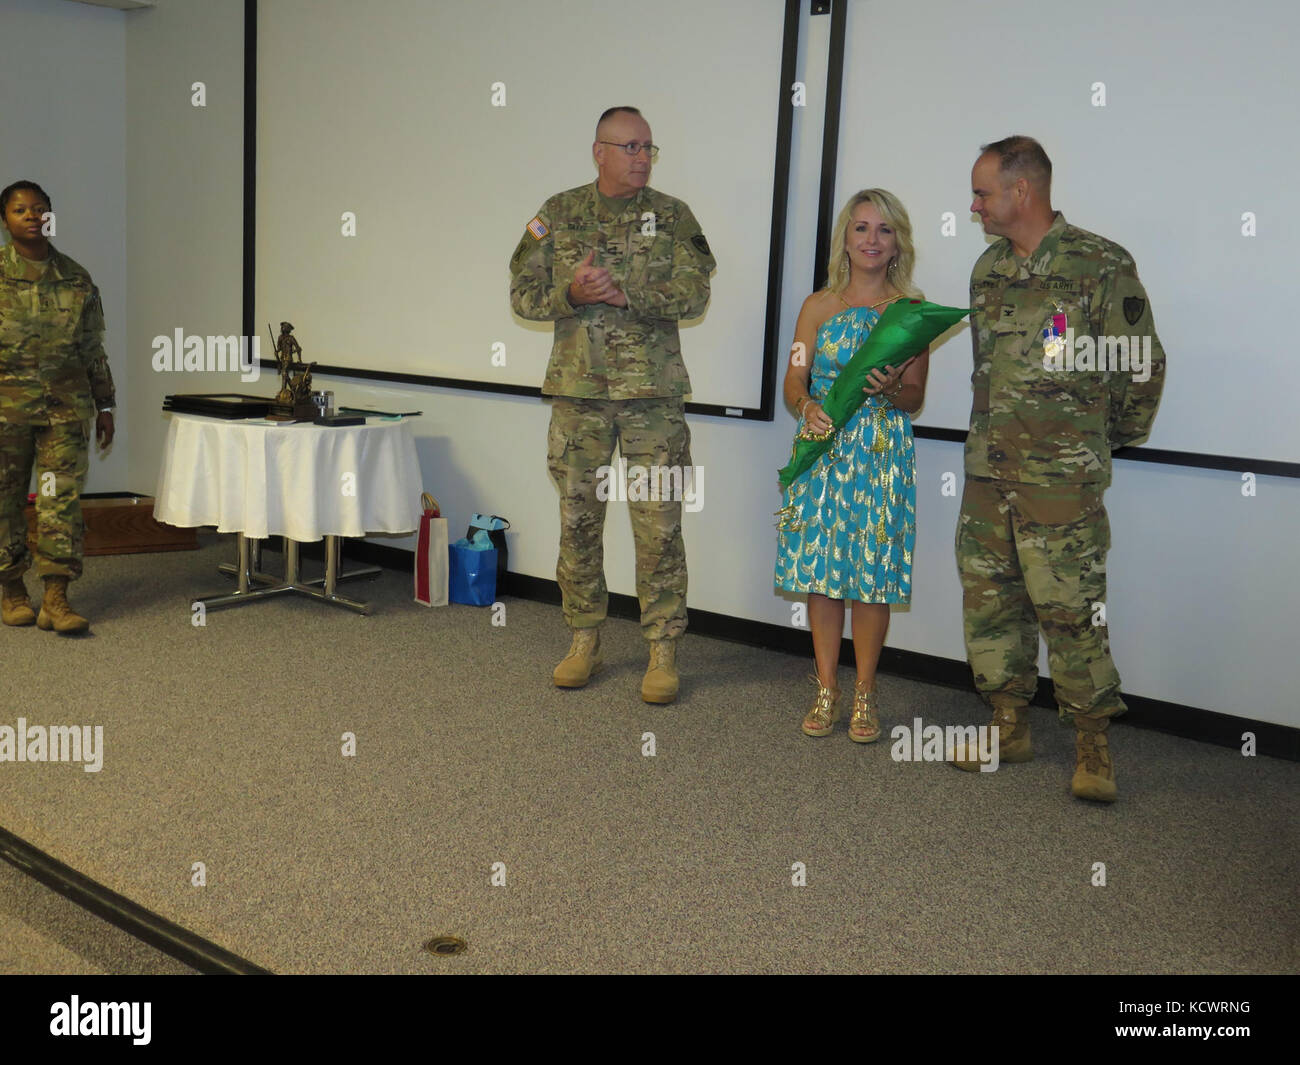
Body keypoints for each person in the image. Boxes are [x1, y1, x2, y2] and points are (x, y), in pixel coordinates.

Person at [952, 136, 1165, 801]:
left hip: (1061, 482)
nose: (974, 205)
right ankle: (1007, 720)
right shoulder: (987, 271)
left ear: (1023, 191)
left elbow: (1141, 365)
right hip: (990, 472)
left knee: (1072, 610)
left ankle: (1092, 741)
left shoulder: (1099, 263)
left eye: (983, 192)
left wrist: (1098, 445)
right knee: (992, 602)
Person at [509, 107, 715, 703]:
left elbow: (697, 290)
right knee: (578, 523)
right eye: (630, 147)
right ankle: (583, 638)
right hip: (579, 398)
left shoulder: (674, 216)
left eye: (650, 147)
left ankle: (662, 649)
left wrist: (630, 291)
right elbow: (522, 291)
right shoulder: (558, 213)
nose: (642, 158)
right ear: (598, 151)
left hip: (653, 397)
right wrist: (570, 293)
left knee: (659, 528)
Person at [776, 189, 929, 742]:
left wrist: (891, 391)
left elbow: (914, 398)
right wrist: (806, 405)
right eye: (861, 228)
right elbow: (794, 378)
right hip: (822, 449)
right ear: (845, 237)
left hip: (881, 455)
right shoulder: (815, 307)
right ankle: (826, 688)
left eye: (884, 230)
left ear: (897, 244)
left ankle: (864, 691)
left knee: (871, 580)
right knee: (822, 576)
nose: (871, 240)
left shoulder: (912, 314)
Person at [0, 180, 116, 633]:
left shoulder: (76, 277)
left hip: (66, 410)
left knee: (59, 501)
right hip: (6, 411)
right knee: (6, 502)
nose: (31, 216)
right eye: (19, 210)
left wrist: (105, 404)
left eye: (39, 208)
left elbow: (92, 348)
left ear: (51, 215)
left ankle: (56, 598)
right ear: (6, 220)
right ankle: (11, 591)